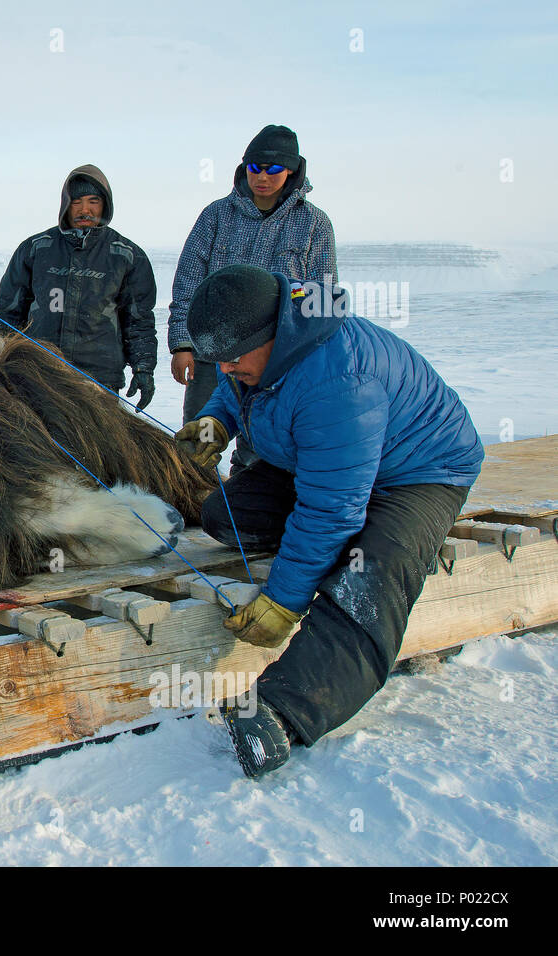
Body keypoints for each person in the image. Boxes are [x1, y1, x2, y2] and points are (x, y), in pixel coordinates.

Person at [174, 265, 483, 778]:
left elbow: (328, 508)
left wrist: (285, 601)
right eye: (219, 360)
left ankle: (282, 712)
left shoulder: (339, 381)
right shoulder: (267, 347)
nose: (225, 369)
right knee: (224, 514)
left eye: (233, 357)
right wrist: (217, 421)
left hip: (418, 472)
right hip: (326, 461)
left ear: (271, 336)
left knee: (374, 573)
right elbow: (238, 386)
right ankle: (355, 539)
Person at [168, 125, 337, 441]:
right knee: (200, 435)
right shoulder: (215, 215)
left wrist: (307, 356)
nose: (262, 177)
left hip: (273, 360)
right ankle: (196, 489)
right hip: (211, 354)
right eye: (254, 168)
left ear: (292, 170)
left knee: (261, 445)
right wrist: (182, 344)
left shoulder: (315, 223)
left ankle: (245, 488)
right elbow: (188, 281)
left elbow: (322, 297)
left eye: (273, 169)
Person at [0, 165, 158, 407]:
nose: (85, 210)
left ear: (105, 204)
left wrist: (143, 368)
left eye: (93, 201)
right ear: (65, 205)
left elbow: (139, 321)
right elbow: (9, 314)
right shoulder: (36, 248)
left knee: (96, 444)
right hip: (37, 375)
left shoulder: (127, 255)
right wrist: (1, 362)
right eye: (77, 202)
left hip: (100, 380)